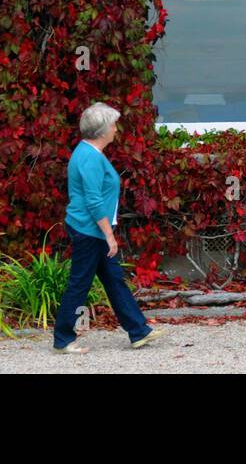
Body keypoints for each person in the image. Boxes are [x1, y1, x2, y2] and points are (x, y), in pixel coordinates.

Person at [52, 102, 167, 354]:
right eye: (113, 124)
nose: (116, 129)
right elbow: (93, 201)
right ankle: (62, 339)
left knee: (114, 280)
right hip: (89, 231)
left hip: (90, 229)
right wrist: (109, 235)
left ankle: (138, 332)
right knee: (79, 284)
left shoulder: (89, 152)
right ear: (103, 130)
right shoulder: (89, 158)